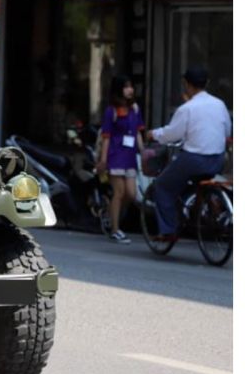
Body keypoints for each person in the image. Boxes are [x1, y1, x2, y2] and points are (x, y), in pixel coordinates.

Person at [146, 67, 232, 241]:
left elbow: (172, 134)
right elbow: (227, 129)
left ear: (186, 84)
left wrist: (153, 134)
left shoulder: (187, 108)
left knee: (163, 185)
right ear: (207, 83)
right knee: (193, 178)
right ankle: (202, 205)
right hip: (218, 159)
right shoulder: (219, 104)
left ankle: (168, 230)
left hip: (194, 160)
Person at [96, 75, 145, 244]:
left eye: (131, 86)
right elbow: (106, 137)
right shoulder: (112, 111)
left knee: (131, 194)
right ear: (118, 90)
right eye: (126, 86)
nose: (130, 89)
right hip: (115, 156)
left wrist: (143, 151)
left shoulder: (135, 109)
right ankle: (115, 229)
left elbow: (138, 132)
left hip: (130, 157)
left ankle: (111, 214)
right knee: (119, 192)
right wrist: (103, 160)